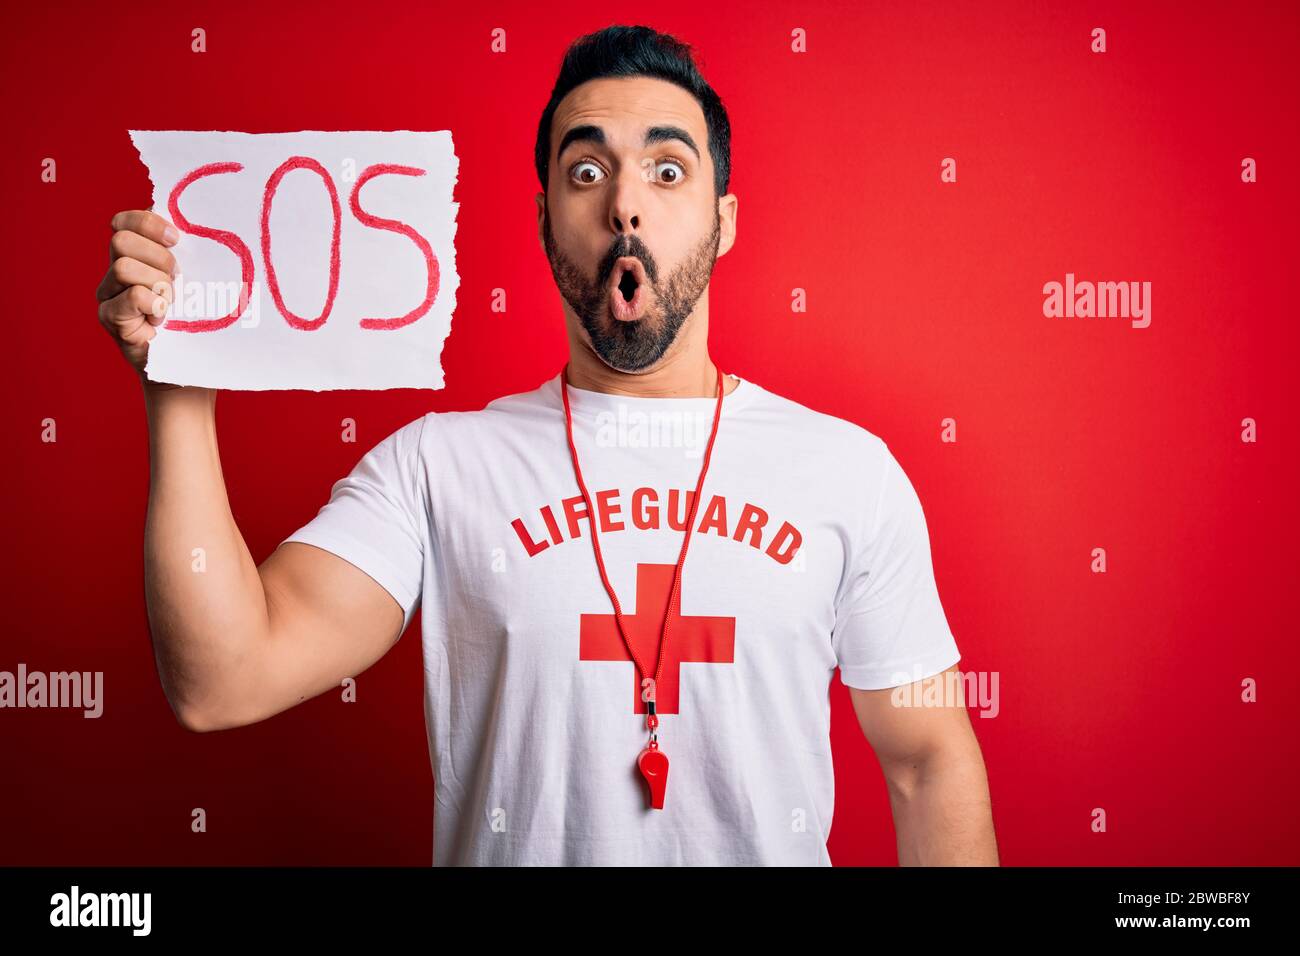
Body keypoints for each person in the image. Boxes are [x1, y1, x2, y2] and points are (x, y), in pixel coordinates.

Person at [94, 24, 997, 866]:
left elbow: (928, 761)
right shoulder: (438, 466)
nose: (627, 207)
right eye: (587, 171)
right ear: (543, 220)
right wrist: (177, 385)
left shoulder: (849, 472)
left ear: (725, 221)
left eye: (667, 171)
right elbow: (222, 679)